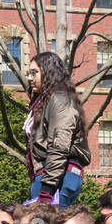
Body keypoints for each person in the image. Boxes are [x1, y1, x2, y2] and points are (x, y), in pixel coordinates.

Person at [24, 51, 91, 206]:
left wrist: (46, 190)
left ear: (49, 73)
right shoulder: (44, 101)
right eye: (28, 73)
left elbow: (59, 145)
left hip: (59, 177)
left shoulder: (60, 99)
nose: (29, 78)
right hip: (49, 175)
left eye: (34, 73)